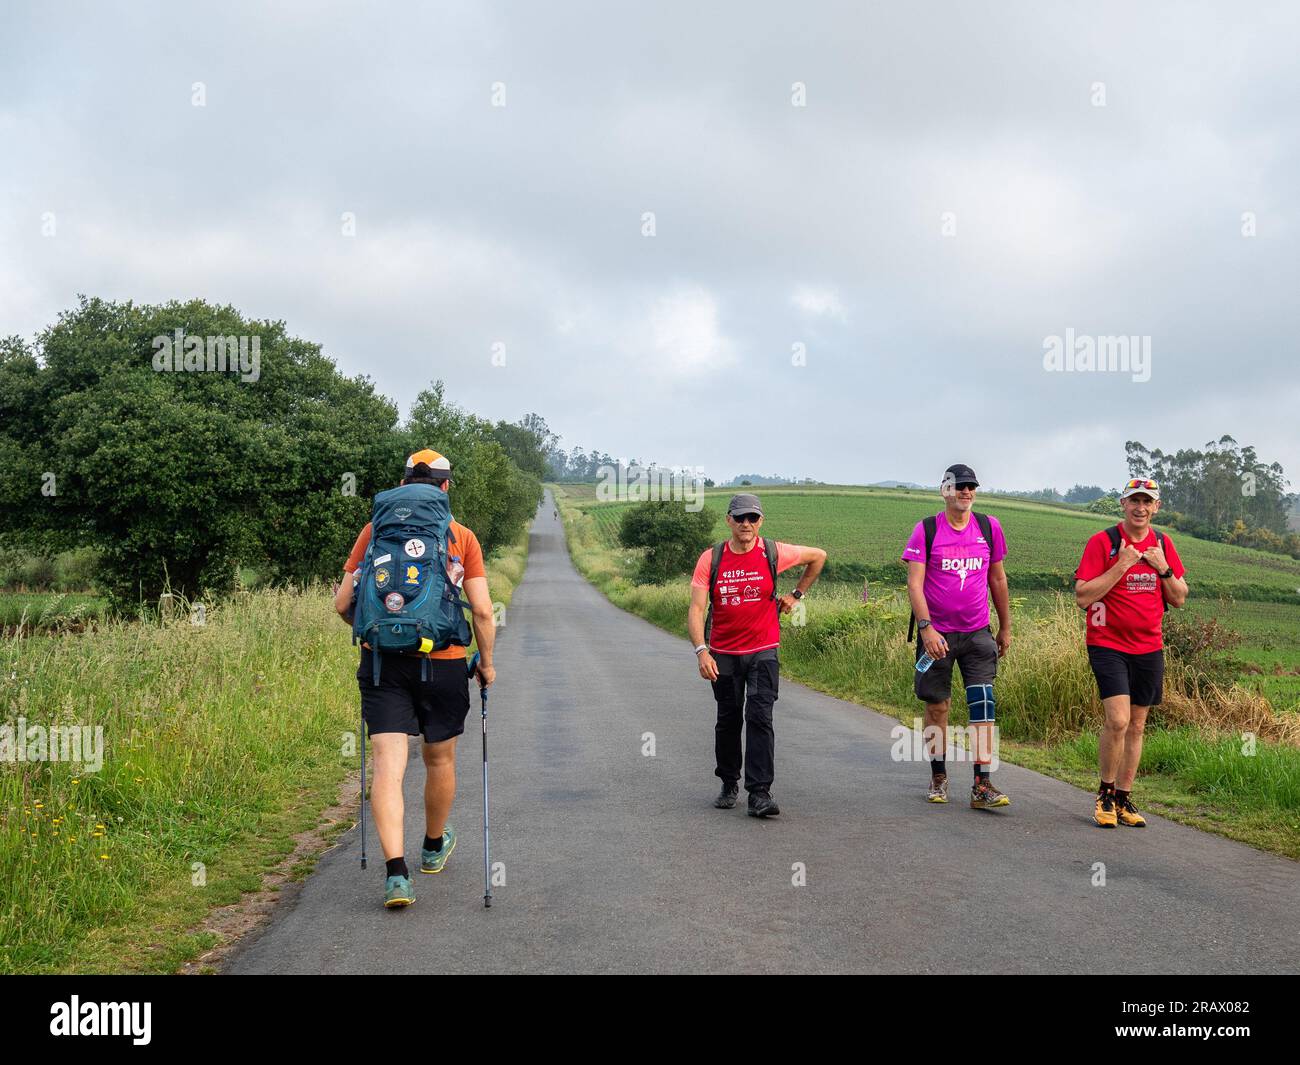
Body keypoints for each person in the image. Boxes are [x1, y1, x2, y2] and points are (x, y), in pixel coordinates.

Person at [333, 449, 496, 907]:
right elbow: (482, 610)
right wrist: (486, 664)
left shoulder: (374, 531)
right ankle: (431, 846)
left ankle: (396, 875)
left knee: (388, 765)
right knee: (439, 760)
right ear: (445, 488)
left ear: (403, 483)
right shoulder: (461, 536)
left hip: (383, 664)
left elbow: (343, 604)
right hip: (443, 661)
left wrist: (375, 635)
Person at [687, 493, 826, 818]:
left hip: (763, 651)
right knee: (729, 719)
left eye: (752, 518)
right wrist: (700, 650)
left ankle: (760, 793)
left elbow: (818, 556)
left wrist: (796, 595)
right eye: (740, 518)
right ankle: (728, 782)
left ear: (760, 521)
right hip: (723, 653)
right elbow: (696, 608)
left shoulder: (773, 551)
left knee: (760, 718)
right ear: (729, 521)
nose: (746, 524)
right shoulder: (712, 558)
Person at [1074, 478, 1187, 829]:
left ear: (1156, 507)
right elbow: (1083, 596)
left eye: (1147, 502)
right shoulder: (1103, 543)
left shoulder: (1163, 544)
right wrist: (1122, 564)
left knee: (1137, 724)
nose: (1140, 507)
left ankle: (1124, 798)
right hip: (1107, 643)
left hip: (1149, 645)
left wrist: (1162, 567)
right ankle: (1105, 794)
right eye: (1134, 500)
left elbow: (1179, 597)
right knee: (1118, 720)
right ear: (1122, 504)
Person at [902, 464, 1012, 809]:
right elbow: (914, 584)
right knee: (938, 707)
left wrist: (1005, 626)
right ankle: (938, 776)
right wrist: (926, 628)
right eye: (959, 486)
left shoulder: (988, 527)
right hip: (937, 636)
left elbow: (998, 579)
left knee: (983, 705)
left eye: (971, 486)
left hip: (978, 632)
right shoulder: (927, 529)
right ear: (945, 491)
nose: (965, 492)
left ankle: (982, 784)